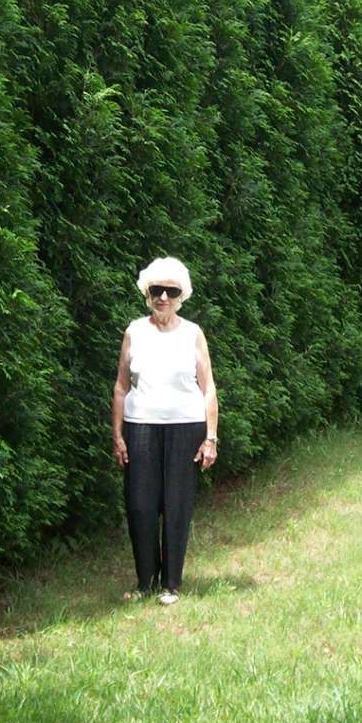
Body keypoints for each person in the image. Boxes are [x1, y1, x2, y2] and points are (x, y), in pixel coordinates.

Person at [112, 256, 218, 605]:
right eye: (157, 290)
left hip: (185, 429)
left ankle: (171, 584)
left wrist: (210, 438)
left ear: (180, 295)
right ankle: (145, 582)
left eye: (170, 292)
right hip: (140, 428)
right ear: (147, 292)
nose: (163, 298)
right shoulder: (134, 332)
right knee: (140, 505)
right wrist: (117, 436)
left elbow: (208, 388)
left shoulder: (192, 334)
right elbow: (120, 388)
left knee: (176, 505)